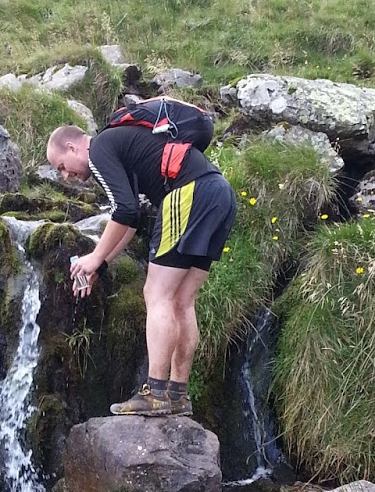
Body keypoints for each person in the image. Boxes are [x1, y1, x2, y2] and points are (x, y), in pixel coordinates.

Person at [47, 98, 237, 415]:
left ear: (72, 147)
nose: (66, 176)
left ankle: (156, 394)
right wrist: (102, 263)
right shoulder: (124, 146)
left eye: (62, 167)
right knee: (181, 301)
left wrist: (93, 256)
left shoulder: (101, 148)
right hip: (218, 192)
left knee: (156, 293)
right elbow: (132, 224)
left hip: (188, 194)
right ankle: (178, 396)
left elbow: (125, 210)